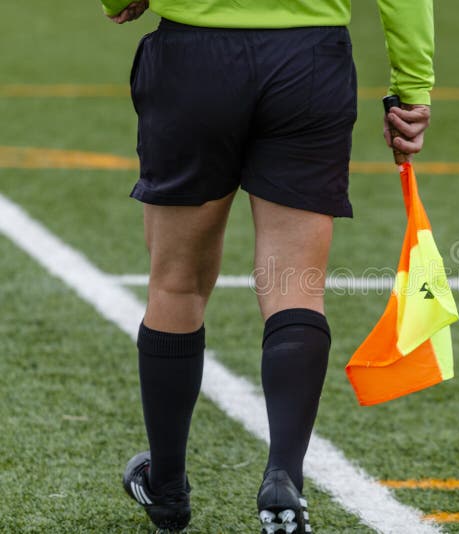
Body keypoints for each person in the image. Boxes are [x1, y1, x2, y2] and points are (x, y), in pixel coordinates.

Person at [100, 0, 434, 531]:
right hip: (311, 58)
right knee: (295, 286)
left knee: (176, 284)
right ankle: (283, 478)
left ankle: (165, 486)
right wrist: (413, 86)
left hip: (193, 56)